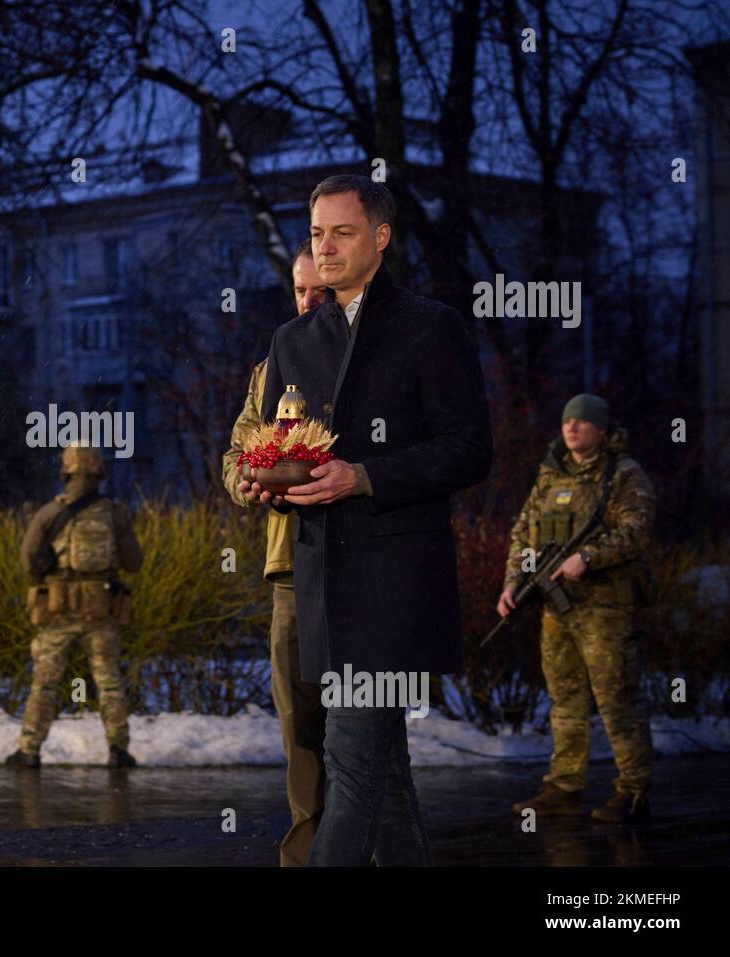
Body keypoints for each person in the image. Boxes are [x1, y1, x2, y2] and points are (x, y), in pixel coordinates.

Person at [242, 174, 492, 865]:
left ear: (380, 238)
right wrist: (269, 482)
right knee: (386, 777)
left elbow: (469, 450)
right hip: (321, 583)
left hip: (396, 588)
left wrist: (365, 475)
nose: (324, 247)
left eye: (342, 232)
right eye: (317, 232)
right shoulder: (291, 341)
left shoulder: (430, 327)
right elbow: (275, 446)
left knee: (351, 765)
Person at [501, 394, 656, 824]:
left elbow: (637, 530)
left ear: (602, 431)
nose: (571, 428)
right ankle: (564, 787)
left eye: (582, 422)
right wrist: (514, 581)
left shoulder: (622, 475)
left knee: (616, 698)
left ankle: (633, 790)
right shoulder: (550, 477)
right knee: (565, 700)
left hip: (607, 608)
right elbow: (523, 534)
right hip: (557, 608)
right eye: (567, 421)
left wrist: (588, 557)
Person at [222, 240, 327, 866]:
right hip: (289, 566)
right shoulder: (272, 369)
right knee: (299, 730)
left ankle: (362, 848)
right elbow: (236, 454)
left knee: (362, 727)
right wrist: (252, 483)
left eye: (321, 292)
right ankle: (305, 855)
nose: (309, 302)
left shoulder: (362, 358)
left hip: (358, 564)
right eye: (299, 291)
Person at [7, 445, 143, 769]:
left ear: (65, 471)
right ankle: (118, 750)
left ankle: (29, 750)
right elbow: (134, 562)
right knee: (108, 681)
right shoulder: (115, 512)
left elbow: (27, 559)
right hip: (101, 609)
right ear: (99, 472)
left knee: (45, 682)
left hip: (58, 608)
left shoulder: (50, 513)